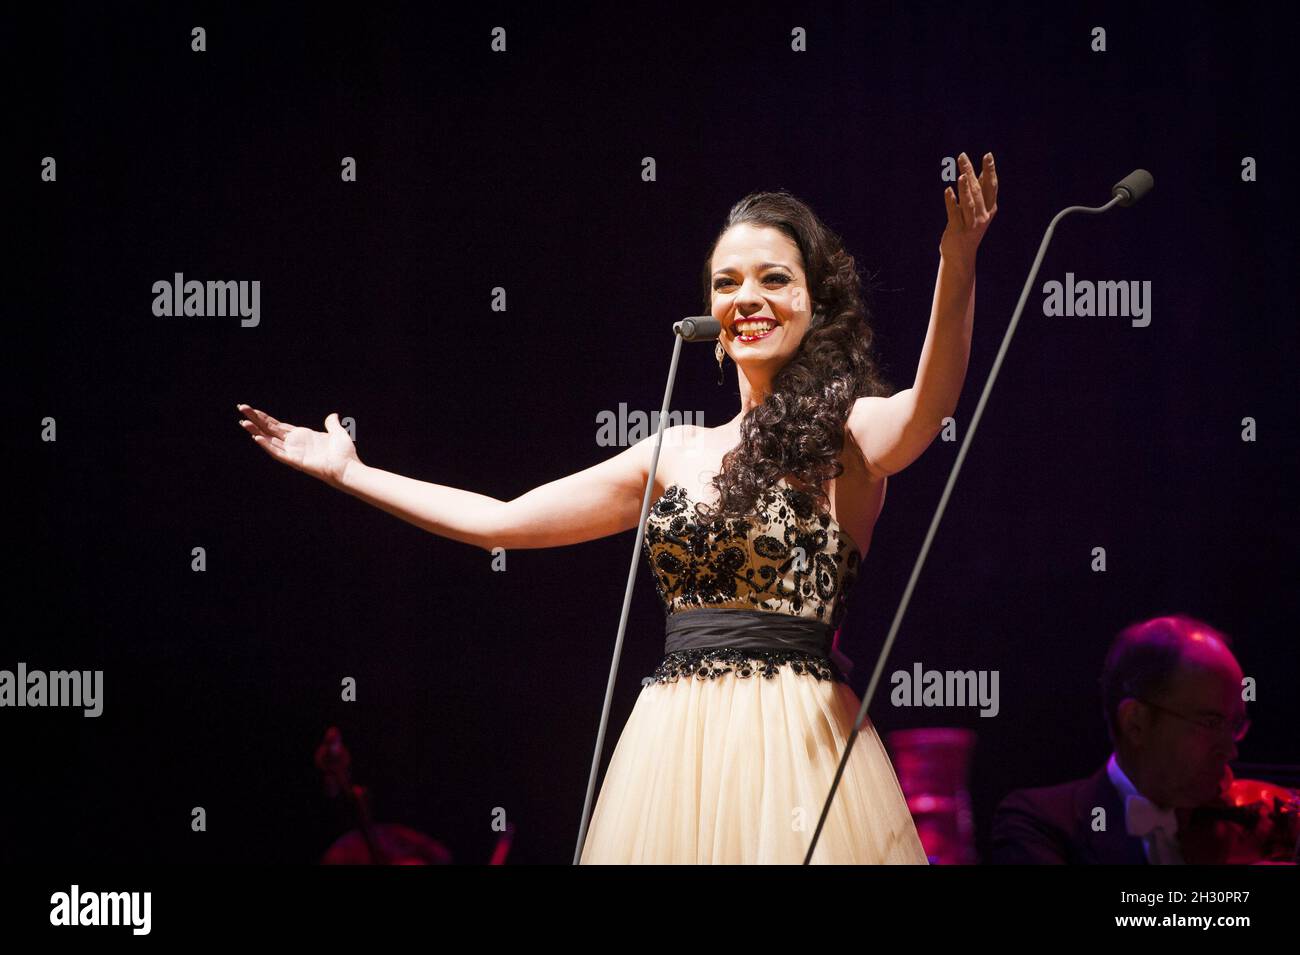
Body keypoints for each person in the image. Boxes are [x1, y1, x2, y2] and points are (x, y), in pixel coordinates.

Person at [237, 151, 997, 863]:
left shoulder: (847, 432)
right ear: (709, 315)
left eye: (773, 278)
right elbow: (502, 519)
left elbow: (929, 405)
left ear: (813, 301)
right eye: (727, 283)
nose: (747, 299)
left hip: (798, 742)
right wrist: (352, 473)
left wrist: (956, 261)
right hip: (671, 747)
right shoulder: (671, 452)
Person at [990, 615, 1247, 864]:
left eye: (1235, 726)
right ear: (1136, 722)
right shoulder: (1038, 824)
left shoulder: (1230, 832)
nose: (1230, 750)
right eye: (1211, 723)